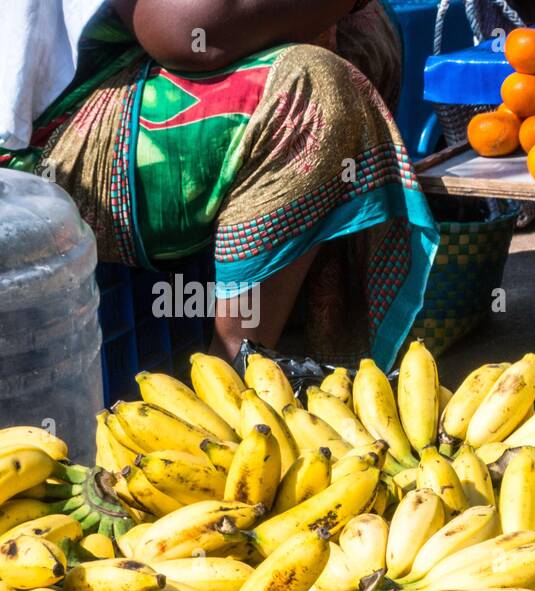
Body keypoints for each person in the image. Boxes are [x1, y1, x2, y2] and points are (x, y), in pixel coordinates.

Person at [0, 0, 436, 370]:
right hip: (40, 143)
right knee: (307, 91)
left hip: (125, 62)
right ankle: (234, 378)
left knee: (364, 30)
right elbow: (188, 27)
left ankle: (310, 340)